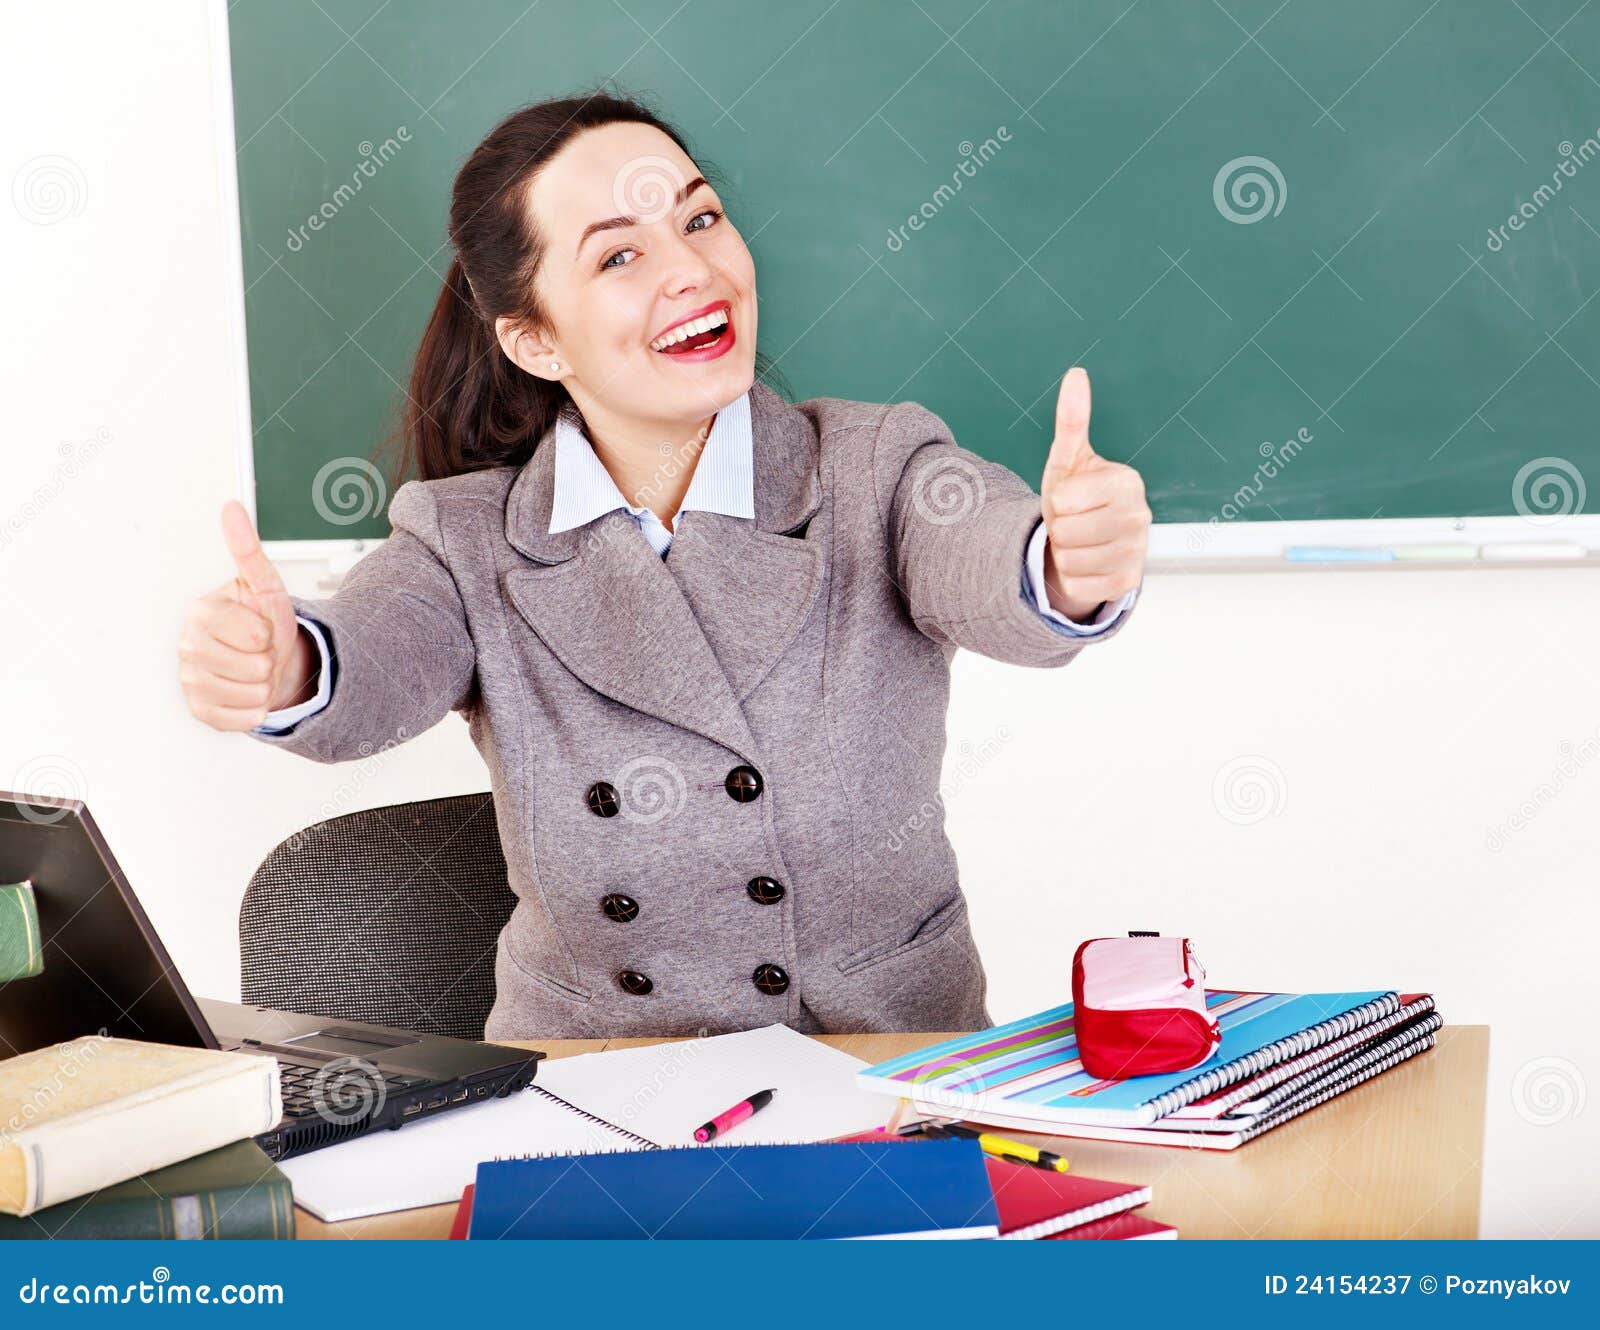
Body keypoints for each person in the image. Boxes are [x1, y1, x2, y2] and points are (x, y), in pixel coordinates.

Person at [178, 90, 1151, 1039]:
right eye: (621, 254)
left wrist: (1063, 559)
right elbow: (375, 656)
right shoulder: (460, 537)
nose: (693, 270)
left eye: (702, 218)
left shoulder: (874, 467)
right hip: (594, 1086)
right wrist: (290, 666)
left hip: (883, 1066)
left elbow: (983, 551)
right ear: (532, 337)